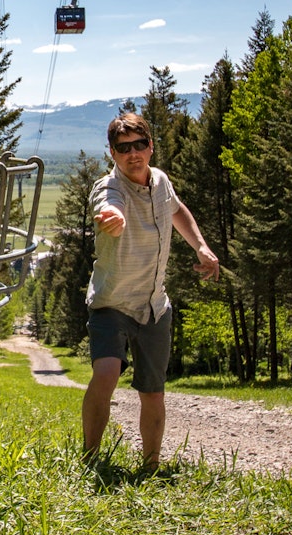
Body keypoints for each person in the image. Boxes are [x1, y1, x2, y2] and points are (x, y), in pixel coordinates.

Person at [81, 112, 219, 470]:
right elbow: (110, 206)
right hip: (112, 302)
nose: (133, 154)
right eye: (124, 148)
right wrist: (114, 218)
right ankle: (90, 459)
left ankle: (151, 465)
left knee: (153, 391)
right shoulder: (108, 188)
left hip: (155, 305)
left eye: (139, 145)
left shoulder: (160, 181)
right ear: (112, 153)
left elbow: (177, 210)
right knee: (106, 374)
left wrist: (201, 247)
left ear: (151, 146)